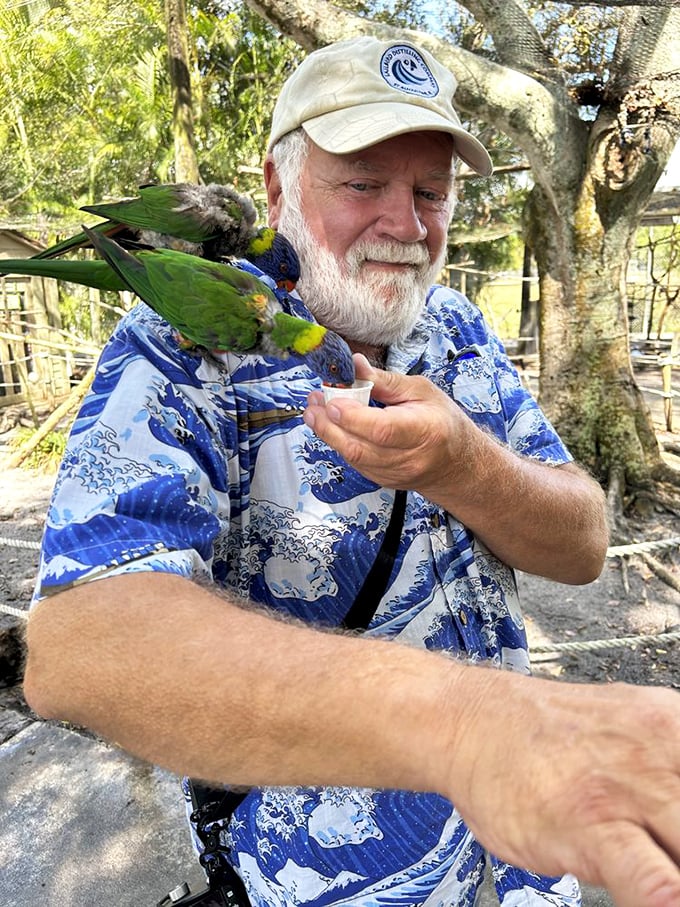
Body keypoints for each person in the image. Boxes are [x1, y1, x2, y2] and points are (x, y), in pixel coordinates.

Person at [23, 35, 680, 907]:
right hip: (333, 883)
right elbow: (78, 649)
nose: (405, 226)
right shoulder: (182, 343)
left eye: (430, 192)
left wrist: (467, 467)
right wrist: (469, 728)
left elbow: (585, 543)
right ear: (275, 188)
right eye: (363, 183)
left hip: (534, 868)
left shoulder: (456, 329)